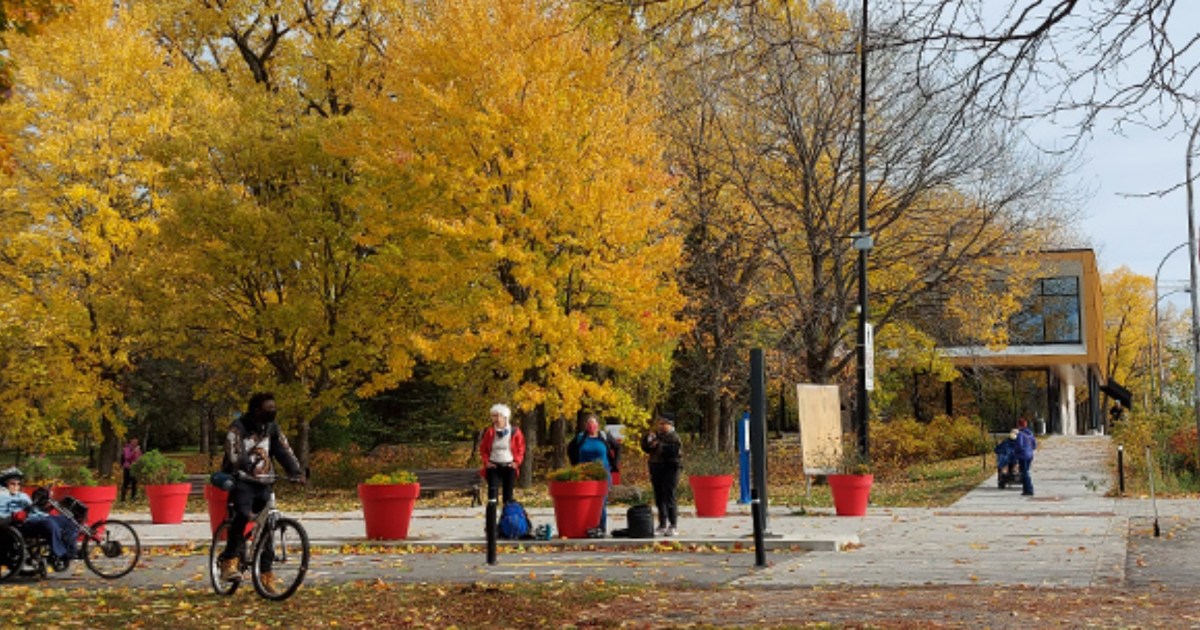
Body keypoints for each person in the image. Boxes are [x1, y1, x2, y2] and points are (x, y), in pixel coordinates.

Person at [217, 392, 304, 593]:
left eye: (274, 408)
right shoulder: (238, 427)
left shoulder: (272, 428)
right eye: (268, 409)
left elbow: (283, 450)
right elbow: (235, 452)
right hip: (242, 481)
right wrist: (247, 467)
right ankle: (229, 560)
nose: (272, 412)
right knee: (241, 515)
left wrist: (296, 472)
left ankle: (266, 573)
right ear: (256, 410)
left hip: (264, 482)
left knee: (269, 526)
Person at [0, 467, 78, 570]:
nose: (16, 487)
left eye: (18, 484)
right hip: (24, 523)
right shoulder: (2, 496)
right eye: (12, 484)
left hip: (39, 516)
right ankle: (60, 554)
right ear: (6, 484)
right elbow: (2, 514)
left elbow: (35, 509)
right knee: (49, 524)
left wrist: (45, 508)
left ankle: (71, 552)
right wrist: (15, 515)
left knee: (68, 521)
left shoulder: (23, 496)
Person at [568, 413, 616, 535]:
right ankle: (586, 526)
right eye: (588, 423)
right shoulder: (581, 437)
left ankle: (601, 527)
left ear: (598, 425)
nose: (591, 425)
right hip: (585, 472)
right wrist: (575, 464)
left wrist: (614, 463)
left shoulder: (604, 436)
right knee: (586, 502)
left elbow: (617, 447)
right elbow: (570, 449)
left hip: (602, 472)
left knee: (601, 501)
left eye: (593, 423)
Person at [640, 412, 682, 537]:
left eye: (664, 424)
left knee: (669, 495)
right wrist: (647, 441)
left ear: (670, 425)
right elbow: (646, 448)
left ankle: (673, 524)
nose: (661, 426)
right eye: (660, 423)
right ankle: (662, 523)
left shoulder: (674, 437)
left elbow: (673, 452)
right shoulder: (656, 435)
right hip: (656, 467)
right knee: (659, 497)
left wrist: (659, 446)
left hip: (671, 468)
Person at [479, 403, 525, 505]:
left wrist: (516, 462)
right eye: (493, 416)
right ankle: (492, 514)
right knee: (492, 495)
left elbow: (521, 448)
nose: (495, 419)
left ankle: (506, 514)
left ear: (505, 417)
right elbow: (483, 449)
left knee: (508, 496)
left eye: (497, 416)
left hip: (509, 466)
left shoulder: (515, 431)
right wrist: (487, 462)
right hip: (493, 465)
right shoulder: (490, 431)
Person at [1015, 417, 1037, 496]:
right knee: (1026, 471)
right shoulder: (1030, 434)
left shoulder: (1020, 434)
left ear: (1019, 425)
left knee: (1024, 473)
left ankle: (1029, 489)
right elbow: (1034, 445)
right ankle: (1025, 489)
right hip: (1030, 455)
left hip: (1023, 455)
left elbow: (1019, 445)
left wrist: (1016, 452)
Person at [120, 437, 143, 502]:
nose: (135, 443)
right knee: (125, 483)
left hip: (134, 468)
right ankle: (122, 498)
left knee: (134, 483)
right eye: (134, 441)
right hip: (127, 468)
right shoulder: (126, 448)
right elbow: (127, 457)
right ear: (131, 441)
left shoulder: (138, 449)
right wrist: (133, 452)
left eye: (136, 442)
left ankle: (133, 498)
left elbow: (140, 457)